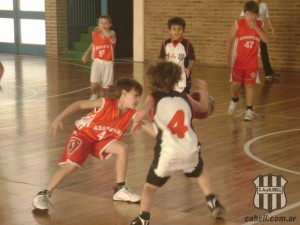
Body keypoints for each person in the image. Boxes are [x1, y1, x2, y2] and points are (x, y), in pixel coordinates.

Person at [129, 61, 225, 225]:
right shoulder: (185, 96)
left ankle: (143, 218)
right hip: (190, 147)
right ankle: (212, 201)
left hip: (168, 153)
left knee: (149, 187)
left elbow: (137, 117)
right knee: (200, 172)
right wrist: (203, 89)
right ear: (175, 79)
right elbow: (203, 108)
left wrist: (137, 121)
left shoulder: (153, 98)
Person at [32, 77, 143, 211]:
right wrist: (58, 118)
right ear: (124, 93)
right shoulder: (105, 103)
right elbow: (79, 104)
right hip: (83, 135)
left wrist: (163, 135)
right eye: (135, 96)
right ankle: (43, 194)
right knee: (71, 166)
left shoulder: (131, 113)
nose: (138, 100)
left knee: (122, 148)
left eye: (139, 97)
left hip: (100, 139)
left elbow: (143, 122)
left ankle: (120, 189)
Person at [227, 0, 269, 121]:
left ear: (257, 15)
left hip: (252, 60)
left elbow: (266, 40)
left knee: (249, 85)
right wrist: (227, 57)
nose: (251, 17)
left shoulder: (260, 24)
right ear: (244, 14)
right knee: (235, 84)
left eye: (254, 14)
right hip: (238, 60)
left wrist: (256, 26)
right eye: (248, 14)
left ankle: (249, 109)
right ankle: (235, 99)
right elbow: (229, 40)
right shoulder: (238, 24)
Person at [82, 15, 116, 100]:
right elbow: (93, 44)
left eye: (105, 23)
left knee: (104, 87)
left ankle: (101, 104)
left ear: (110, 25)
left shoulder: (112, 33)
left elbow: (108, 36)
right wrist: (86, 53)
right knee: (94, 84)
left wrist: (103, 29)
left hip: (107, 63)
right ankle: (94, 94)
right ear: (98, 23)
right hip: (97, 62)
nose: (103, 25)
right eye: (101, 23)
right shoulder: (95, 34)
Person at [159, 16, 196, 94]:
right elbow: (161, 59)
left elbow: (192, 60)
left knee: (183, 99)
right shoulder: (165, 44)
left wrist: (188, 68)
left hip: (183, 77)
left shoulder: (187, 44)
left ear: (183, 30)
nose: (177, 31)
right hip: (169, 77)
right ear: (170, 31)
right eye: (174, 29)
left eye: (179, 29)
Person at [240, 0, 276, 80]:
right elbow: (242, 18)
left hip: (260, 32)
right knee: (248, 53)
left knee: (264, 52)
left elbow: (268, 18)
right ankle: (243, 72)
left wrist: (272, 28)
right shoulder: (249, 5)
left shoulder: (264, 5)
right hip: (251, 33)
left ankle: (268, 72)